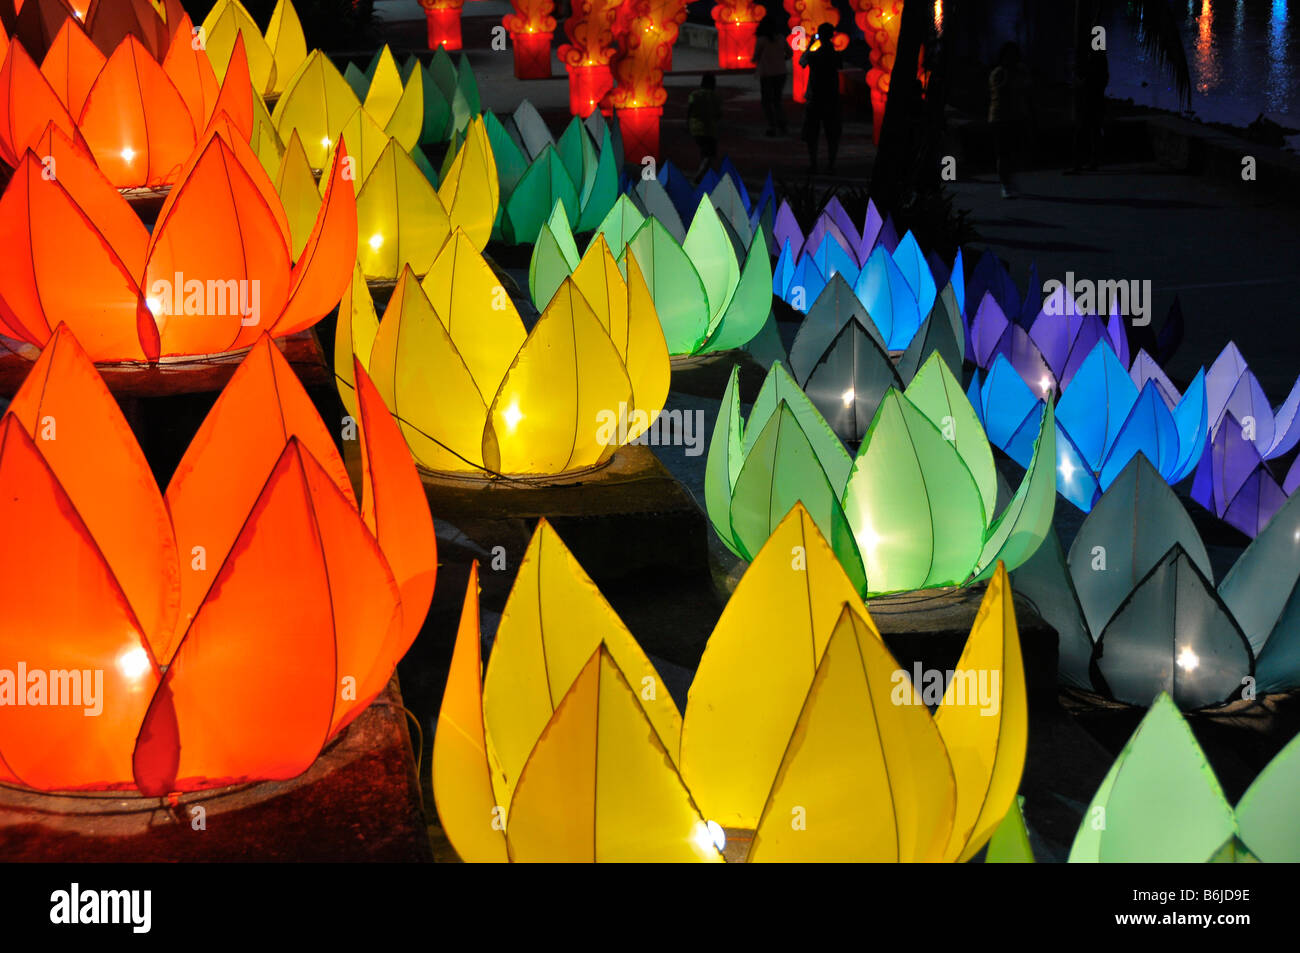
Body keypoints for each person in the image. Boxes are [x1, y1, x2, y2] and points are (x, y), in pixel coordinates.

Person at [988, 41, 1032, 198]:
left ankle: (1009, 180)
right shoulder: (998, 73)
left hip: (1017, 116)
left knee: (1013, 152)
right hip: (1000, 118)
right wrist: (1010, 75)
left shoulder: (1021, 71)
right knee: (1003, 153)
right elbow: (1001, 91)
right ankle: (1005, 185)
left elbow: (1027, 88)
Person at [800, 22, 842, 173]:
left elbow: (802, 61)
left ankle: (814, 164)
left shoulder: (815, 55)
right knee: (832, 133)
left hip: (815, 97)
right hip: (832, 97)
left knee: (812, 133)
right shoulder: (835, 54)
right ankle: (831, 164)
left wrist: (811, 44)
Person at [1067, 47, 1108, 172]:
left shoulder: (1093, 69)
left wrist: (1075, 75)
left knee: (1082, 132)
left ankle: (1078, 163)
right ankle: (1092, 161)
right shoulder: (1101, 68)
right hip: (1095, 102)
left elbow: (1083, 84)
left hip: (1089, 103)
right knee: (1093, 132)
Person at [752, 19, 788, 136]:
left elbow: (756, 56)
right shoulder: (781, 38)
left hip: (767, 73)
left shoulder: (761, 40)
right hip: (781, 73)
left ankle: (772, 126)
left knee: (766, 101)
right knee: (777, 100)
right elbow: (790, 53)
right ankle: (782, 124)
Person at [687, 73, 722, 183]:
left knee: (703, 151)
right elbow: (718, 114)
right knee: (709, 155)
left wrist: (687, 123)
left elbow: (690, 110)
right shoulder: (715, 97)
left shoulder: (694, 94)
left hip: (696, 128)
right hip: (710, 130)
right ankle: (700, 174)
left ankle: (703, 173)